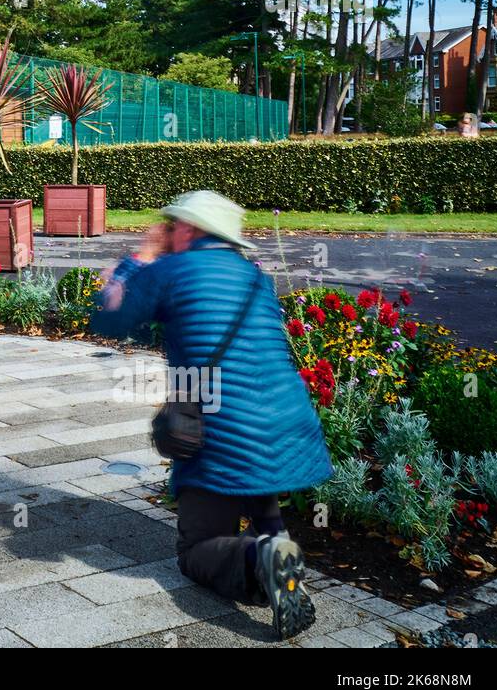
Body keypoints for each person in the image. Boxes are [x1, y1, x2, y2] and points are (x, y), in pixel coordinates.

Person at [92, 190, 332, 640]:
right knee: (254, 465)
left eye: (171, 225)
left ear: (189, 229)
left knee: (195, 549)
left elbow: (110, 319)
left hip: (218, 427)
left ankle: (261, 558)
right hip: (289, 419)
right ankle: (278, 548)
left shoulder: (171, 269)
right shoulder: (255, 277)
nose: (166, 232)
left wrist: (138, 259)